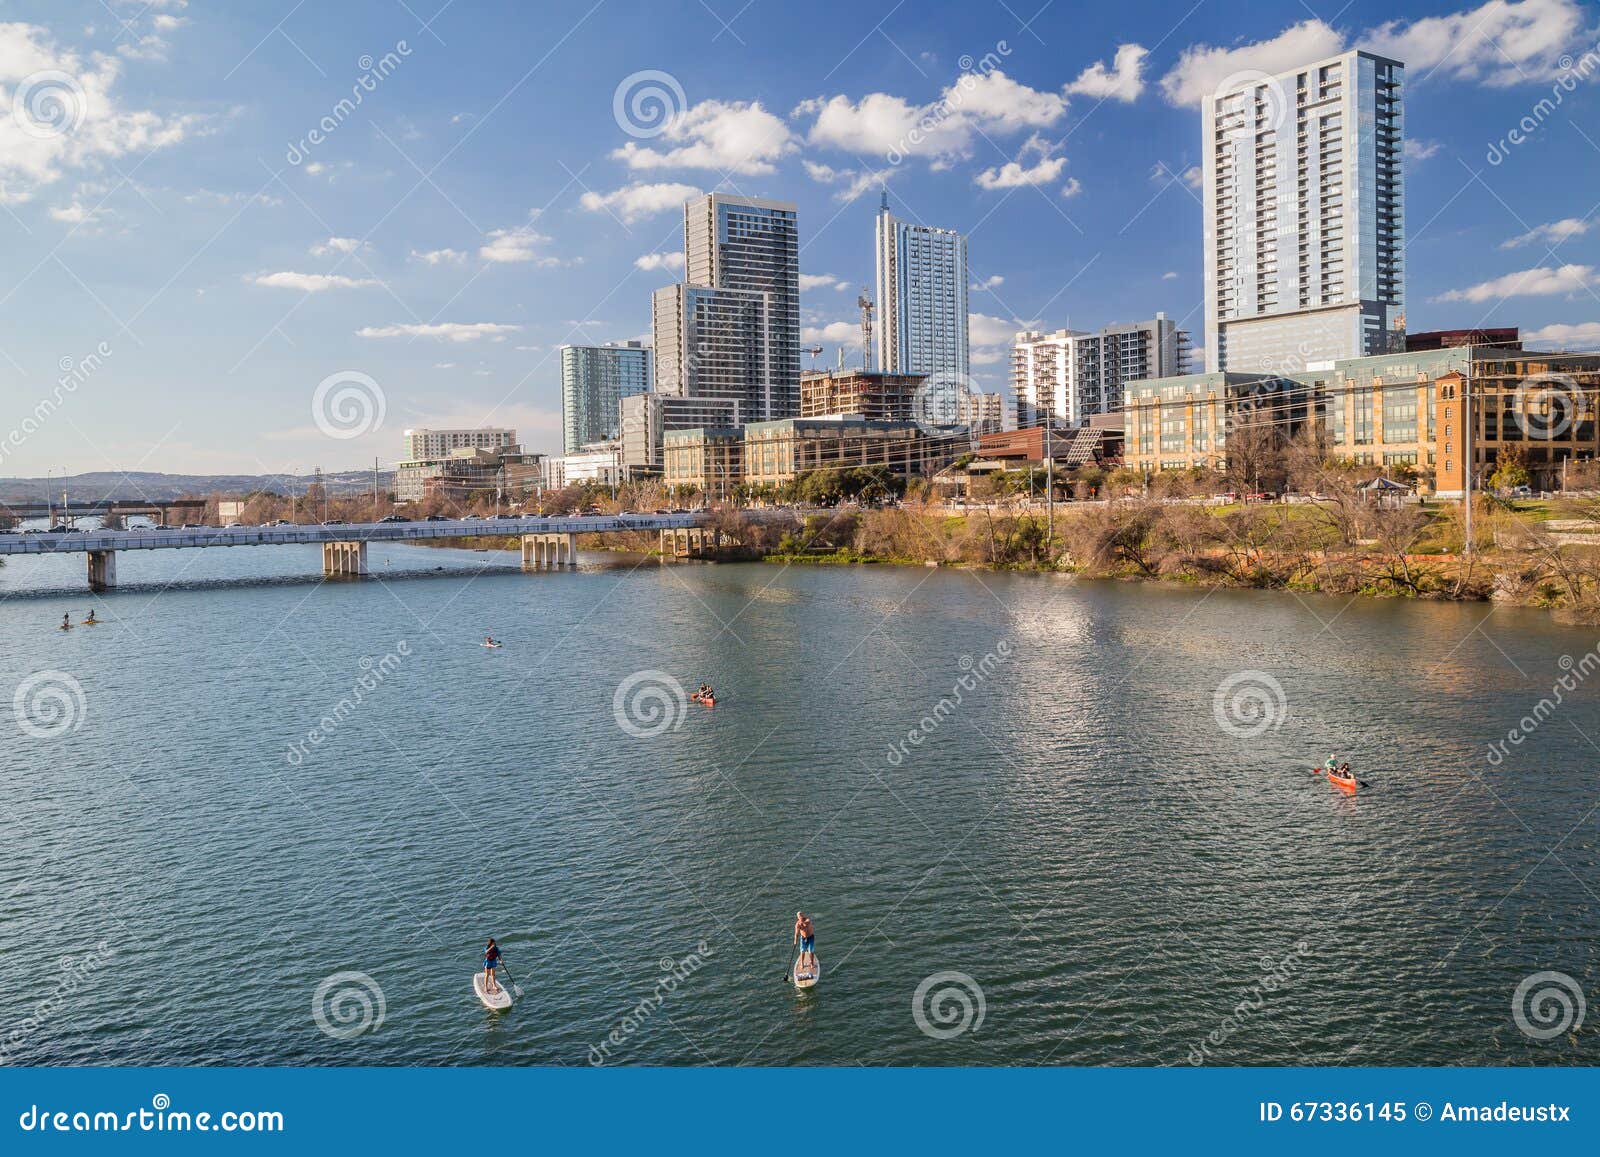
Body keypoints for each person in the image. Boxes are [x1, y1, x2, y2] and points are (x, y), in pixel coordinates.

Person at [793, 911, 816, 976]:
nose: (800, 917)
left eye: (801, 915)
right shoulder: (797, 924)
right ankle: (802, 963)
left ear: (803, 915)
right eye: (799, 916)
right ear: (797, 917)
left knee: (811, 951)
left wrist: (801, 922)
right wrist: (795, 941)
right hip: (803, 938)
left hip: (811, 937)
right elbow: (796, 934)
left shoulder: (807, 920)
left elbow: (806, 924)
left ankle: (812, 963)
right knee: (802, 951)